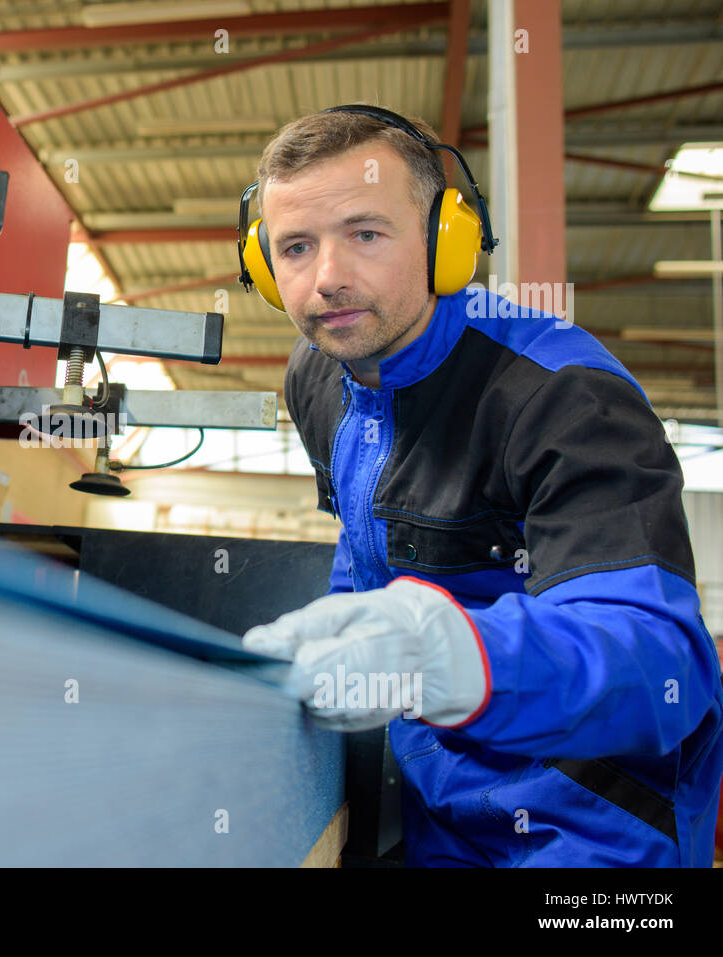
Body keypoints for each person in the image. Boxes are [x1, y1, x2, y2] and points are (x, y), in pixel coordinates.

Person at [238, 104, 723, 867]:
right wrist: (345, 628)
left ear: (445, 240)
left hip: (592, 820)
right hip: (440, 795)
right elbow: (365, 546)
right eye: (296, 247)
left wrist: (451, 654)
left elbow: (661, 664)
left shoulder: (562, 396)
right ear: (265, 266)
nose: (327, 278)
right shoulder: (318, 379)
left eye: (366, 234)